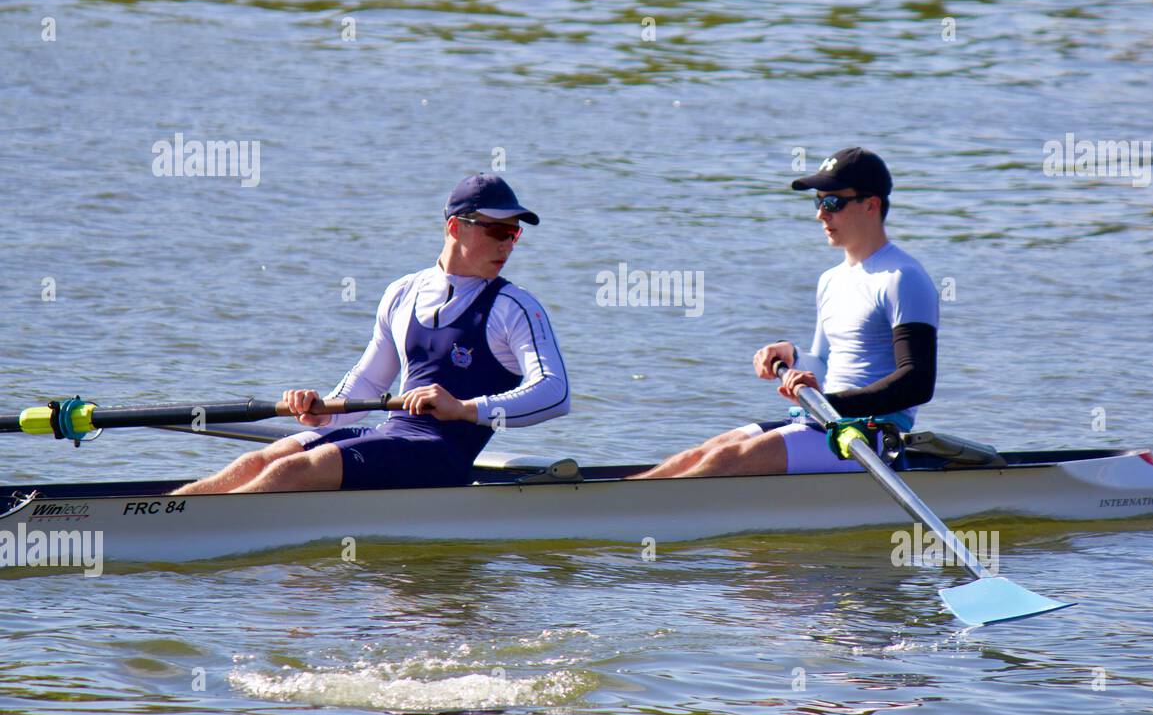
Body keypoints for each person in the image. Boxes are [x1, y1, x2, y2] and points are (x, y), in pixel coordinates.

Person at [173, 173, 569, 494]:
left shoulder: (513, 307)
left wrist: (465, 409)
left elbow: (556, 392)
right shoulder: (403, 293)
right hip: (388, 434)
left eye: (513, 234)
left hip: (440, 454)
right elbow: (367, 383)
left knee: (294, 469)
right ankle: (170, 514)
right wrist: (320, 409)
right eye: (497, 232)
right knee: (260, 461)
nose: (508, 244)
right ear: (455, 227)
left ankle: (201, 536)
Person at [633, 147, 937, 479]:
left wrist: (831, 403)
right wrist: (791, 356)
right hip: (825, 420)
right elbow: (823, 365)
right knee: (697, 456)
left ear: (871, 204)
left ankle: (638, 518)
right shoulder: (831, 281)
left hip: (873, 436)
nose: (821, 214)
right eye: (817, 201)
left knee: (727, 461)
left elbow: (917, 383)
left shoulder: (903, 278)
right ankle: (623, 500)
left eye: (832, 203)